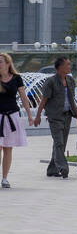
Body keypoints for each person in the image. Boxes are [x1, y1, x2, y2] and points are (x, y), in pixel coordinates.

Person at [32, 56, 77, 178]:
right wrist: (37, 116)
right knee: (59, 143)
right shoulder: (51, 82)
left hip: (67, 116)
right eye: (67, 65)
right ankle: (63, 168)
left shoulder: (70, 80)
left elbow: (71, 100)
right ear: (60, 67)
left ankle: (52, 170)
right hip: (54, 117)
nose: (70, 67)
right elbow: (43, 100)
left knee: (61, 144)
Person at [0, 52, 31, 189]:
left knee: (8, 148)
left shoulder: (17, 78)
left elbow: (24, 97)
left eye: (0, 61)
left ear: (7, 63)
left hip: (12, 116)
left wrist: (29, 115)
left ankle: (5, 178)